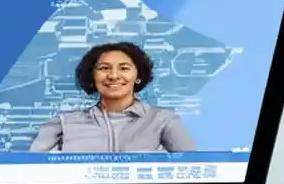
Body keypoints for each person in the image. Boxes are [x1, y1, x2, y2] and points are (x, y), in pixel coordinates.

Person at [29, 41, 196, 154]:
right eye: (104, 68)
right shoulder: (64, 123)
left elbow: (195, 168)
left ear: (138, 76)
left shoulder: (163, 120)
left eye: (124, 68)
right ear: (92, 76)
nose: (114, 76)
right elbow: (27, 168)